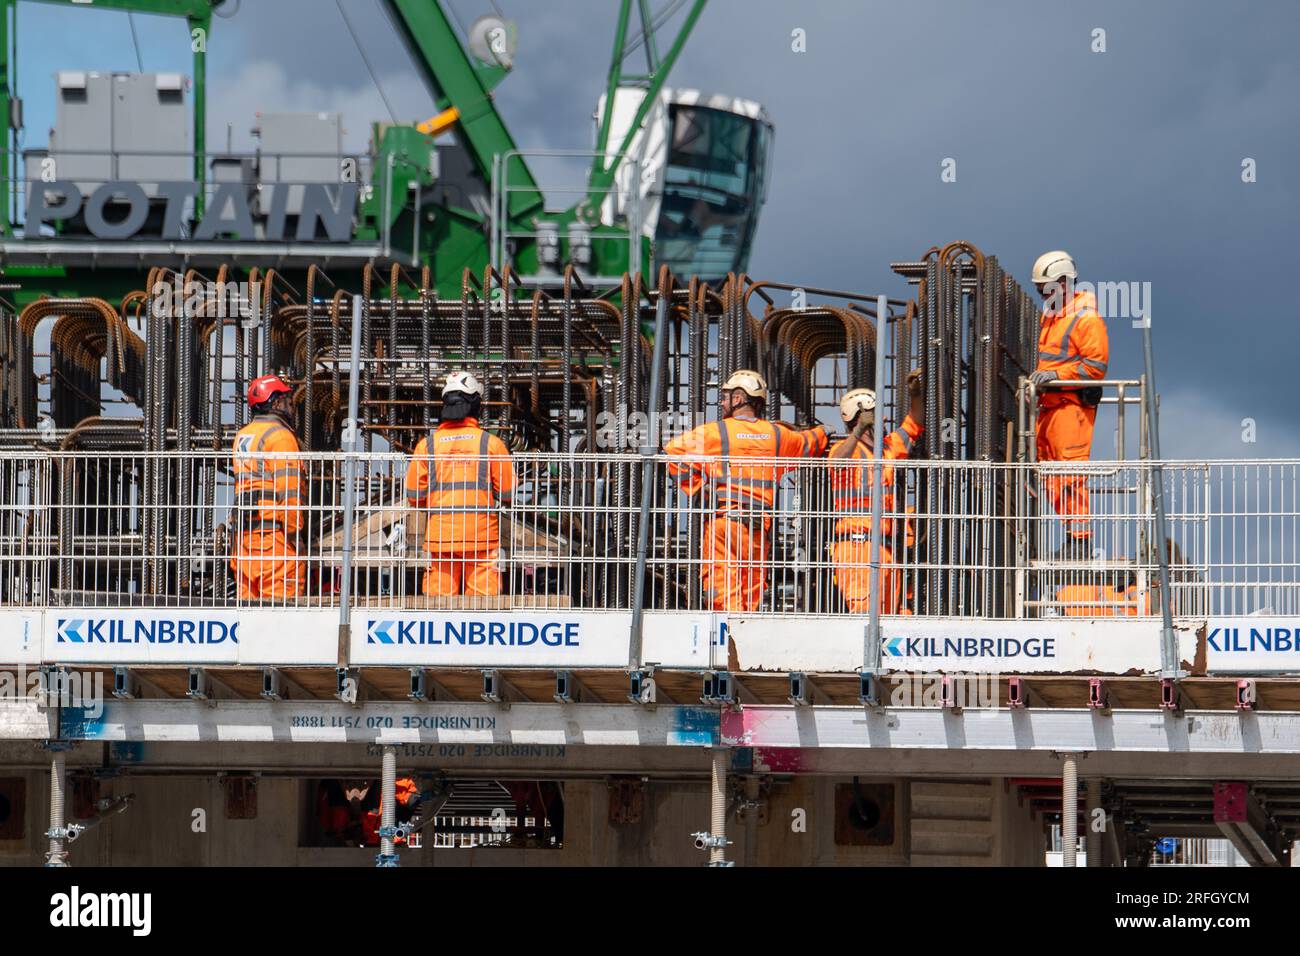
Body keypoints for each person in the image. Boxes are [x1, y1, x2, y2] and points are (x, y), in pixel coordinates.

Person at [664, 370, 827, 612]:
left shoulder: (715, 432)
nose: (722, 402)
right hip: (759, 528)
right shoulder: (778, 435)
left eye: (726, 396)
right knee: (751, 593)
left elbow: (673, 451)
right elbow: (808, 444)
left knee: (721, 592)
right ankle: (743, 635)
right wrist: (824, 431)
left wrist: (699, 490)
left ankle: (727, 640)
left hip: (725, 523)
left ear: (739, 398)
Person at [404, 371, 515, 597]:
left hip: (440, 538)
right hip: (481, 539)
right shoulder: (491, 444)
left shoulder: (427, 446)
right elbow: (507, 493)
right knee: (483, 609)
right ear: (476, 405)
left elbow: (414, 496)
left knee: (438, 608)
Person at [1029, 250, 1110, 559]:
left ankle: (1080, 540)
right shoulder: (1052, 315)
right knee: (1051, 475)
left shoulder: (1085, 317)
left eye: (1045, 289)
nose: (1042, 295)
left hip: (1070, 408)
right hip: (1050, 408)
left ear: (1063, 282)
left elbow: (1094, 367)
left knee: (1070, 474)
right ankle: (1072, 534)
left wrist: (1054, 376)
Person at [829, 370, 924, 614]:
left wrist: (916, 394)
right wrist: (859, 431)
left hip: (886, 548)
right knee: (863, 614)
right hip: (856, 548)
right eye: (872, 414)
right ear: (855, 417)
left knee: (889, 615)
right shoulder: (845, 449)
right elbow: (837, 462)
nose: (879, 419)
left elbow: (914, 423)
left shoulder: (890, 447)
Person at [230, 374, 305, 600]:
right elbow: (290, 492)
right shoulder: (281, 437)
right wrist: (294, 535)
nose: (290, 406)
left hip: (244, 541)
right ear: (275, 403)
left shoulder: (242, 436)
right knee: (281, 611)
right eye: (285, 400)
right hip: (274, 542)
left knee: (248, 613)